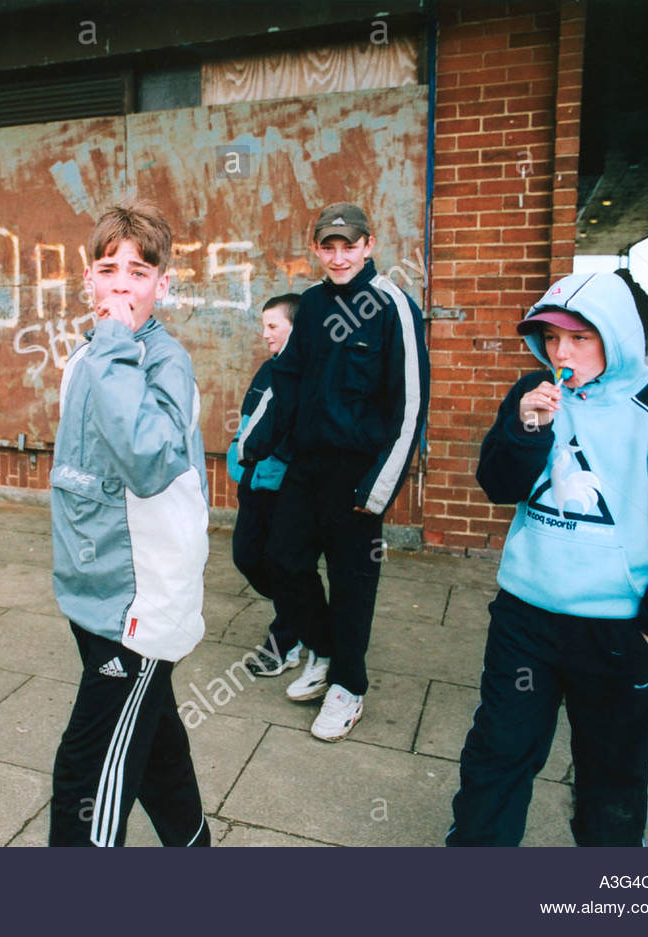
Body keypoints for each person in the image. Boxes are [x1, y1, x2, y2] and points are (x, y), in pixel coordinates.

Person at [447, 271, 648, 846]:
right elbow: (497, 485)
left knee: (610, 781)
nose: (560, 352)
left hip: (619, 632)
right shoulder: (532, 393)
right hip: (525, 617)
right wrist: (528, 429)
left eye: (579, 337)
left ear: (616, 335)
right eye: (549, 337)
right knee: (497, 756)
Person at [49, 201, 211, 847]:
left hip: (139, 609)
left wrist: (115, 342)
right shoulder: (85, 358)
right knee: (157, 753)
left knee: (86, 778)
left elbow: (145, 459)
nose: (122, 283)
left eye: (140, 271)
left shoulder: (162, 362)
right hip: (93, 594)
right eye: (108, 268)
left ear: (162, 285)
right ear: (87, 279)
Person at [241, 202, 429, 741]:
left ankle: (348, 685)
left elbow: (410, 404)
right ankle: (323, 651)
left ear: (369, 245)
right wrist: (255, 446)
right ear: (317, 250)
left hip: (359, 476)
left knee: (351, 585)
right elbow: (289, 381)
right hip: (307, 468)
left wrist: (378, 490)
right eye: (329, 246)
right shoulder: (314, 305)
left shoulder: (394, 305)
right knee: (283, 562)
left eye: (350, 245)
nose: (340, 255)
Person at [227, 293, 309, 676]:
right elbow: (249, 420)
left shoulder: (308, 374)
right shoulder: (268, 369)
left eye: (273, 326)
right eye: (264, 326)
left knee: (283, 563)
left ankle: (285, 641)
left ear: (297, 328)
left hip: (286, 489)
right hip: (253, 481)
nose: (265, 334)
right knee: (247, 556)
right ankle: (308, 612)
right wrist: (237, 455)